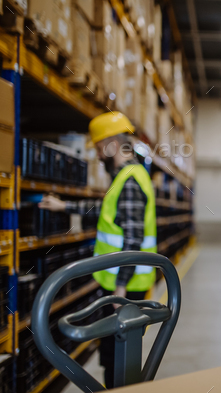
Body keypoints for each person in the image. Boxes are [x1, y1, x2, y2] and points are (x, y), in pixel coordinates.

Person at [38, 111, 157, 388]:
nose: (98, 155)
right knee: (113, 353)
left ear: (111, 145)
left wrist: (121, 288)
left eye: (98, 148)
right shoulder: (127, 176)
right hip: (119, 284)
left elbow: (133, 239)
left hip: (125, 288)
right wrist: (64, 206)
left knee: (118, 357)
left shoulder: (129, 181)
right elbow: (105, 212)